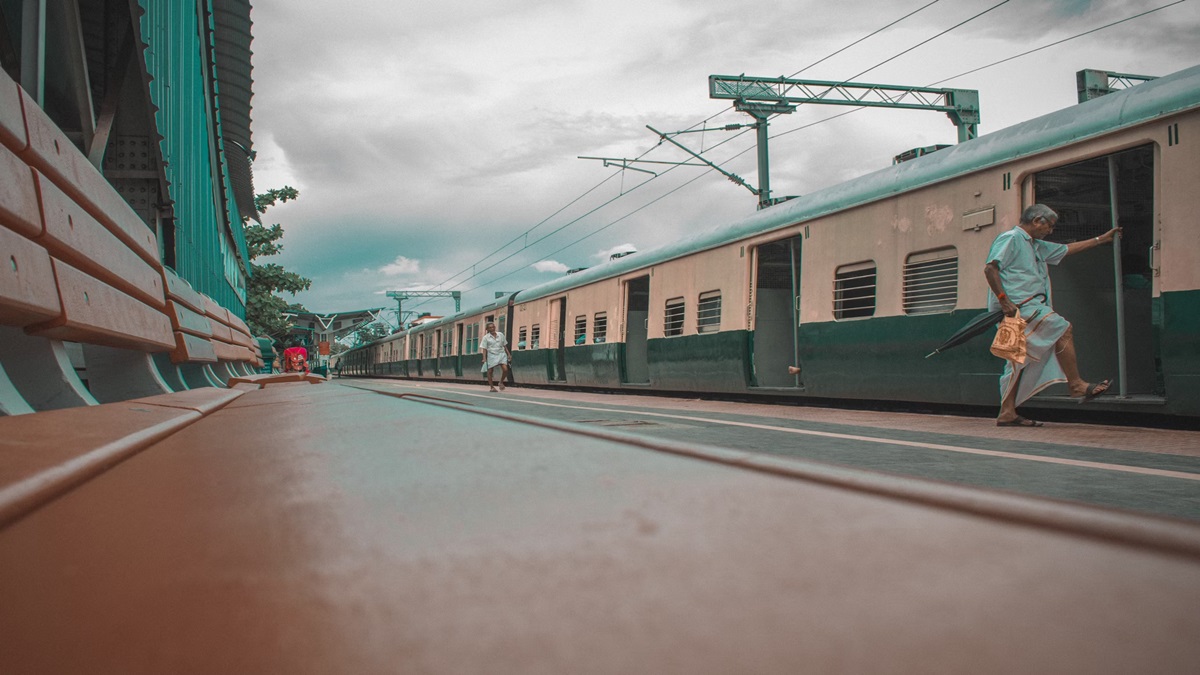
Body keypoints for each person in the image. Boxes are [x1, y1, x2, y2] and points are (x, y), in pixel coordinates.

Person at [983, 204, 1118, 427]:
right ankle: (1076, 385)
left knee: (1016, 361)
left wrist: (1101, 240)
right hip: (1020, 309)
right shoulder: (1011, 238)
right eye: (1050, 226)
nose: (1051, 231)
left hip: (1020, 310)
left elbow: (1065, 250)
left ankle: (1007, 412)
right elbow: (990, 268)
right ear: (1038, 221)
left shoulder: (1036, 246)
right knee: (1063, 328)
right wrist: (1003, 300)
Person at [480, 321, 512, 392]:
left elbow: (505, 345)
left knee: (505, 369)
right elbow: (484, 349)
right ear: (487, 329)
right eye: (490, 327)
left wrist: (508, 354)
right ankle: (492, 387)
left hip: (501, 354)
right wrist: (484, 358)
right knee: (490, 371)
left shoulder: (500, 334)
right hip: (492, 355)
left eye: (493, 327)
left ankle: (500, 382)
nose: (492, 328)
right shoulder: (486, 338)